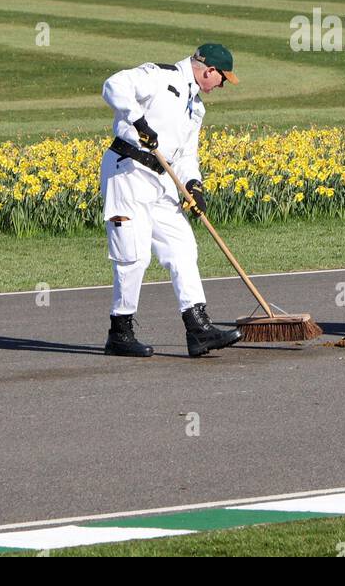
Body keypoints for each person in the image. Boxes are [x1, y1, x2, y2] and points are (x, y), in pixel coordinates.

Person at [99, 43, 243, 359]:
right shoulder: (158, 76)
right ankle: (119, 332)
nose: (220, 87)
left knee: (182, 246)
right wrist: (139, 122)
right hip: (128, 171)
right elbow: (113, 85)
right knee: (133, 255)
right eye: (222, 79)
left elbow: (186, 155)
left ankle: (198, 328)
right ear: (209, 71)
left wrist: (194, 185)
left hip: (163, 181)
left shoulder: (197, 107)